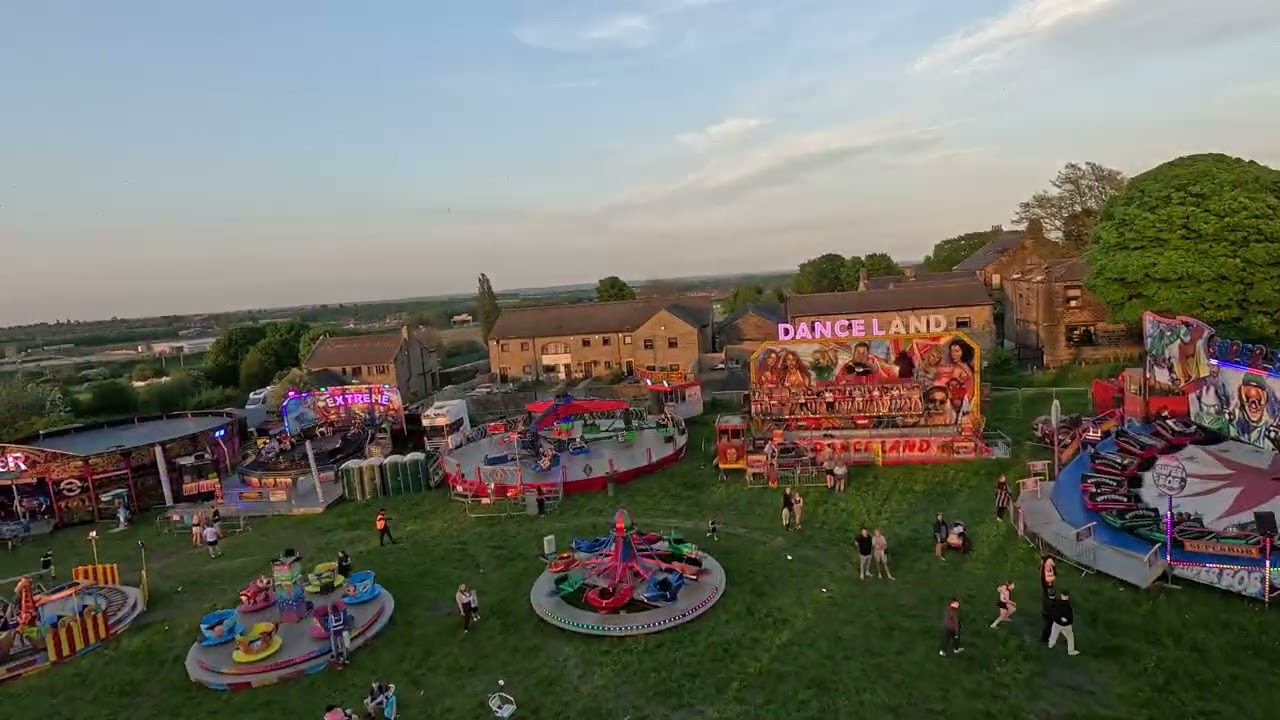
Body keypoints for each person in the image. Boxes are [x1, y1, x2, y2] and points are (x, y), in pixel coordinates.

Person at [1047, 590, 1078, 655]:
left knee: (1054, 634)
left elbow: (1054, 611)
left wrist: (1059, 618)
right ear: (1067, 596)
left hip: (1057, 623)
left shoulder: (1057, 602)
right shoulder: (1067, 605)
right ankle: (1071, 651)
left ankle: (1050, 644)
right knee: (1070, 637)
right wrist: (1068, 620)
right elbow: (1069, 615)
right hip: (1066, 625)